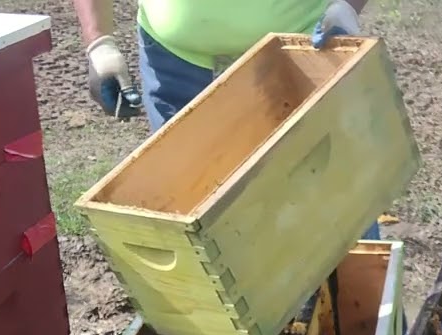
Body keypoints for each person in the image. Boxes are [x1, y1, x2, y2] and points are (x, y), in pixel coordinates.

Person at [72, 0, 381, 241]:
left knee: (335, 205)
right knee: (195, 208)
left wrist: (346, 8)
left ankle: (362, 317)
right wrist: (98, 43)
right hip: (174, 65)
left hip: (299, 53)